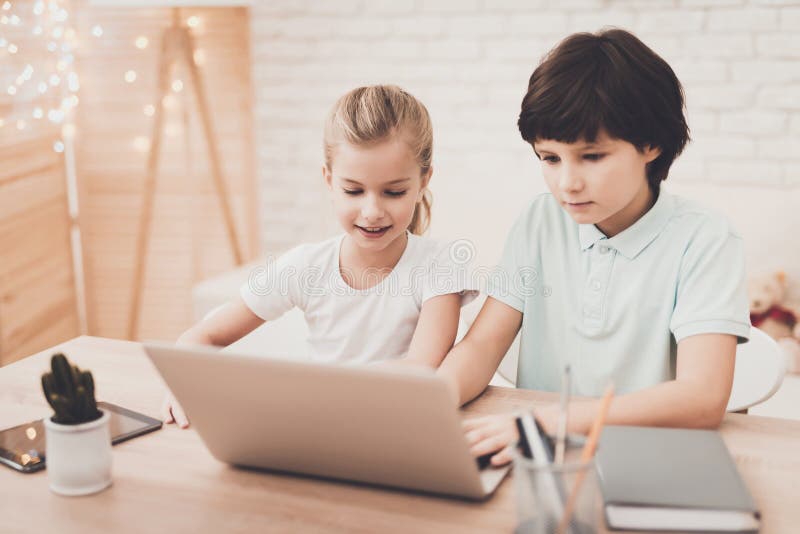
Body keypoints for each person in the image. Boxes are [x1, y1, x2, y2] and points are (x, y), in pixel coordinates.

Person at [437, 28, 750, 466]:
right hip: (537, 460)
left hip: (645, 459)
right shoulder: (539, 219)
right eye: (550, 158)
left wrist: (546, 423)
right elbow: (483, 345)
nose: (568, 183)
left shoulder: (706, 238)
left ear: (651, 144)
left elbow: (701, 399)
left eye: (592, 156)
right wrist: (430, 405)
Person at [164, 85, 477, 427]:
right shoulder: (305, 266)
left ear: (423, 181)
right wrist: (182, 383)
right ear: (328, 180)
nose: (371, 211)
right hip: (321, 427)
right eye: (353, 190)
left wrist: (315, 393)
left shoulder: (440, 265)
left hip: (400, 427)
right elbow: (201, 337)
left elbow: (422, 367)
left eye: (394, 192)